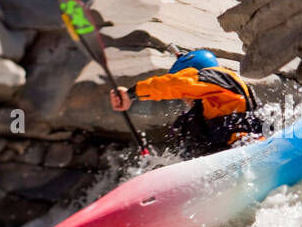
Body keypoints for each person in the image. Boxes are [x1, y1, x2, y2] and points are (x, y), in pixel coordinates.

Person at [110, 49, 264, 156]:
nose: (183, 97)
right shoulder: (198, 114)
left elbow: (178, 84)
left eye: (184, 94)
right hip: (224, 159)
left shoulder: (219, 79)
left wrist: (132, 93)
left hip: (249, 147)